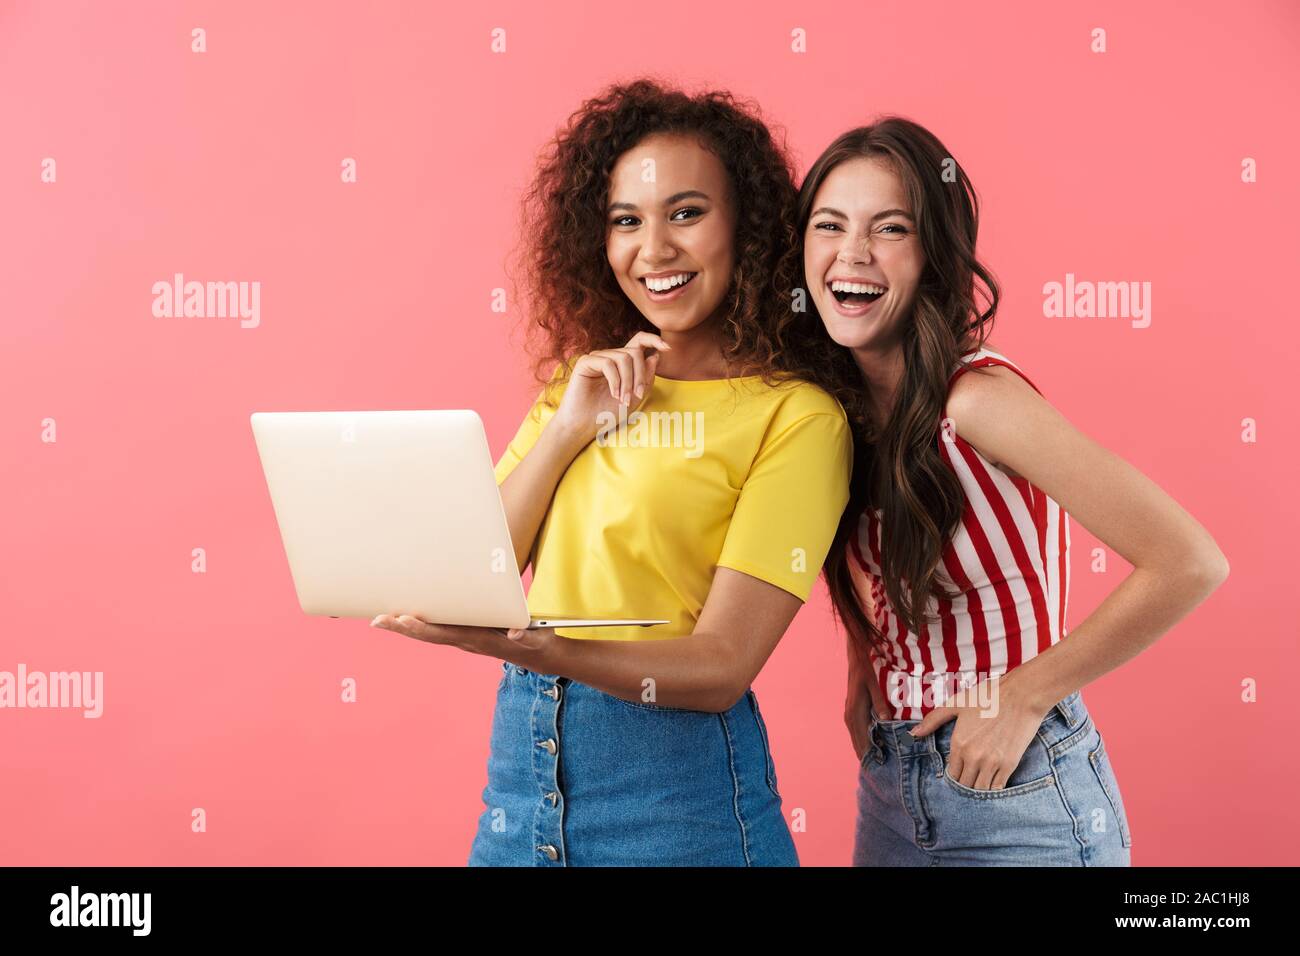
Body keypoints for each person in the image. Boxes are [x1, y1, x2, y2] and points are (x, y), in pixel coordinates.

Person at [372, 80, 852, 866]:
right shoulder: (577, 387)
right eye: (626, 220)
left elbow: (722, 666)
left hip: (677, 798)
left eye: (686, 214)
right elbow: (472, 570)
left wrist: (544, 649)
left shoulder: (796, 418)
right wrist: (566, 430)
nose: (653, 250)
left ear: (751, 230)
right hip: (521, 775)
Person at [789, 118, 1229, 865]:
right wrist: (865, 665)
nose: (852, 253)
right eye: (830, 225)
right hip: (893, 790)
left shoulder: (977, 401)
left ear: (934, 253)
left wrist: (1023, 696)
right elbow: (890, 567)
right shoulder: (840, 413)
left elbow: (1188, 561)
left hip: (1019, 789)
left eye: (889, 228)